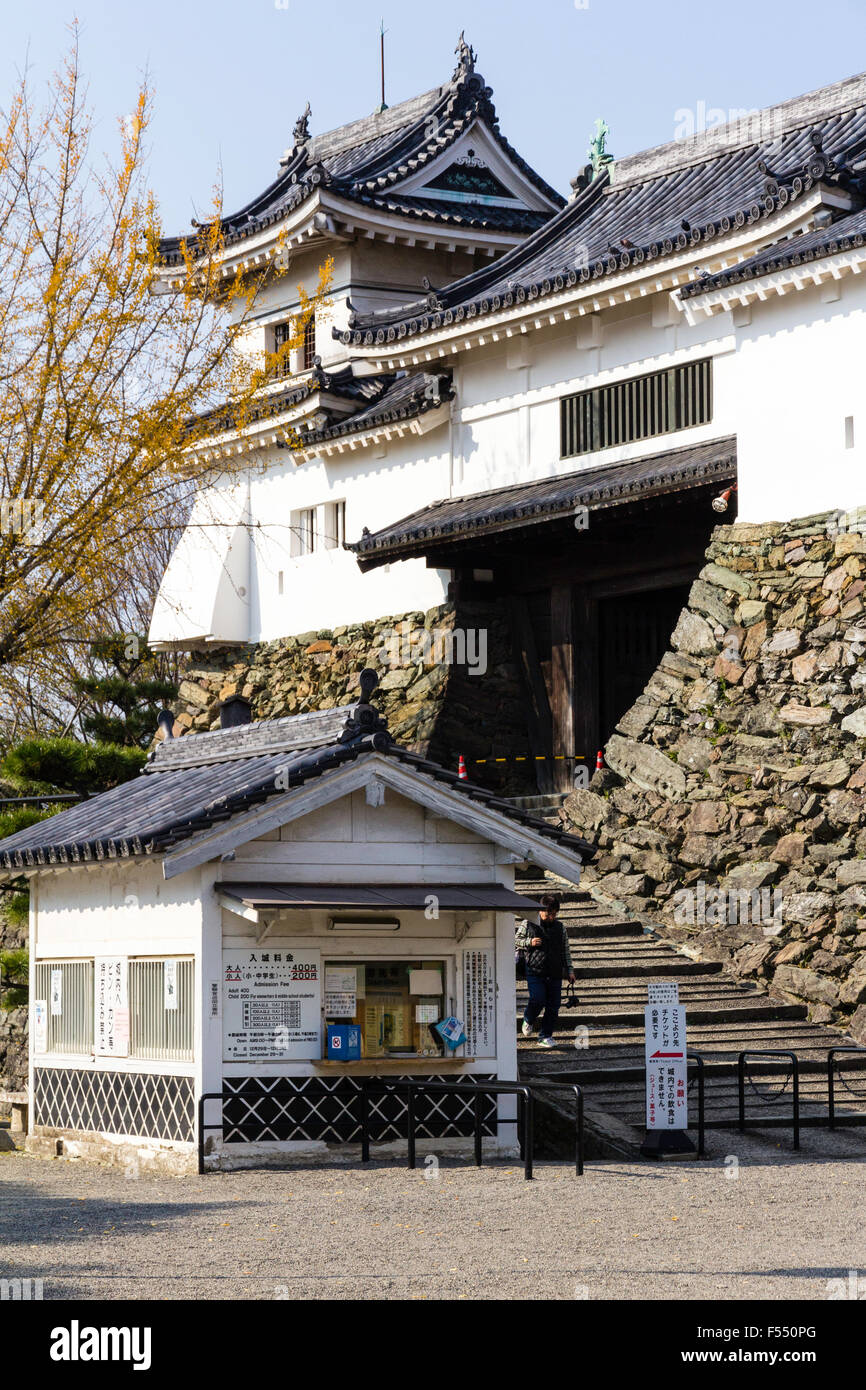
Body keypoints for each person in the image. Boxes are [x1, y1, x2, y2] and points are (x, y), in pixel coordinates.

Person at [515, 893, 575, 1049]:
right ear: (540, 911)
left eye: (554, 914)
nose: (551, 917)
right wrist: (530, 942)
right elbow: (515, 939)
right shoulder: (528, 923)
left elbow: (565, 950)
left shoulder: (560, 928)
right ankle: (528, 1018)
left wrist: (570, 970)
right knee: (538, 999)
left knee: (554, 1006)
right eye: (549, 914)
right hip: (534, 970)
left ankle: (545, 1036)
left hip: (555, 971)